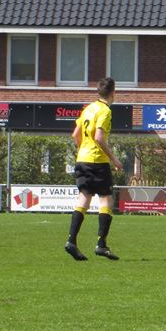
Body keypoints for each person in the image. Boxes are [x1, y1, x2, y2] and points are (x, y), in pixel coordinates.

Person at [65, 77, 123, 260]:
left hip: (82, 159)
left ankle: (71, 241)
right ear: (114, 92)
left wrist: (83, 149)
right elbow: (99, 137)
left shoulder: (88, 108)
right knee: (106, 198)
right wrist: (114, 159)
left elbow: (76, 134)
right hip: (98, 162)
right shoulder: (105, 110)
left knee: (84, 197)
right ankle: (101, 244)